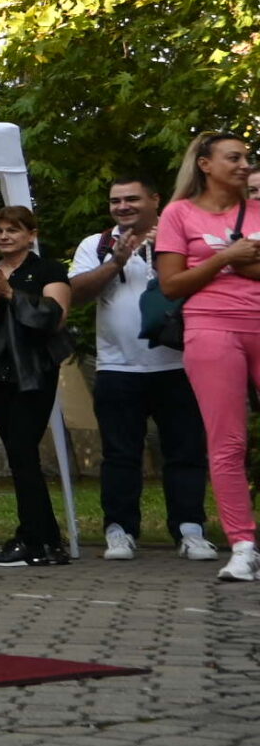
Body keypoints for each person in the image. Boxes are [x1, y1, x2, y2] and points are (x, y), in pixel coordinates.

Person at [69, 175, 211, 560]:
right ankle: (120, 531)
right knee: (120, 455)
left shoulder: (183, 235)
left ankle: (190, 530)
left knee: (185, 453)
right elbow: (76, 295)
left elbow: (210, 284)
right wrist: (117, 259)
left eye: (132, 199)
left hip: (180, 364)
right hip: (117, 368)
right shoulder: (95, 245)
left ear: (155, 199)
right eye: (116, 201)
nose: (123, 207)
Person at [156, 133, 260, 581]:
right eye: (232, 157)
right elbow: (172, 285)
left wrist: (225, 262)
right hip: (210, 329)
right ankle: (243, 545)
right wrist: (230, 258)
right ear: (205, 164)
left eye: (245, 158)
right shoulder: (178, 213)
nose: (243, 164)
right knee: (228, 442)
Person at [0, 205, 75, 568]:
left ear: (31, 234)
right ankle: (46, 541)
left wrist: (11, 294)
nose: (4, 237)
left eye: (13, 230)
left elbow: (53, 318)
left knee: (24, 451)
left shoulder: (49, 270)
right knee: (19, 456)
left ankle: (33, 540)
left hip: (34, 374)